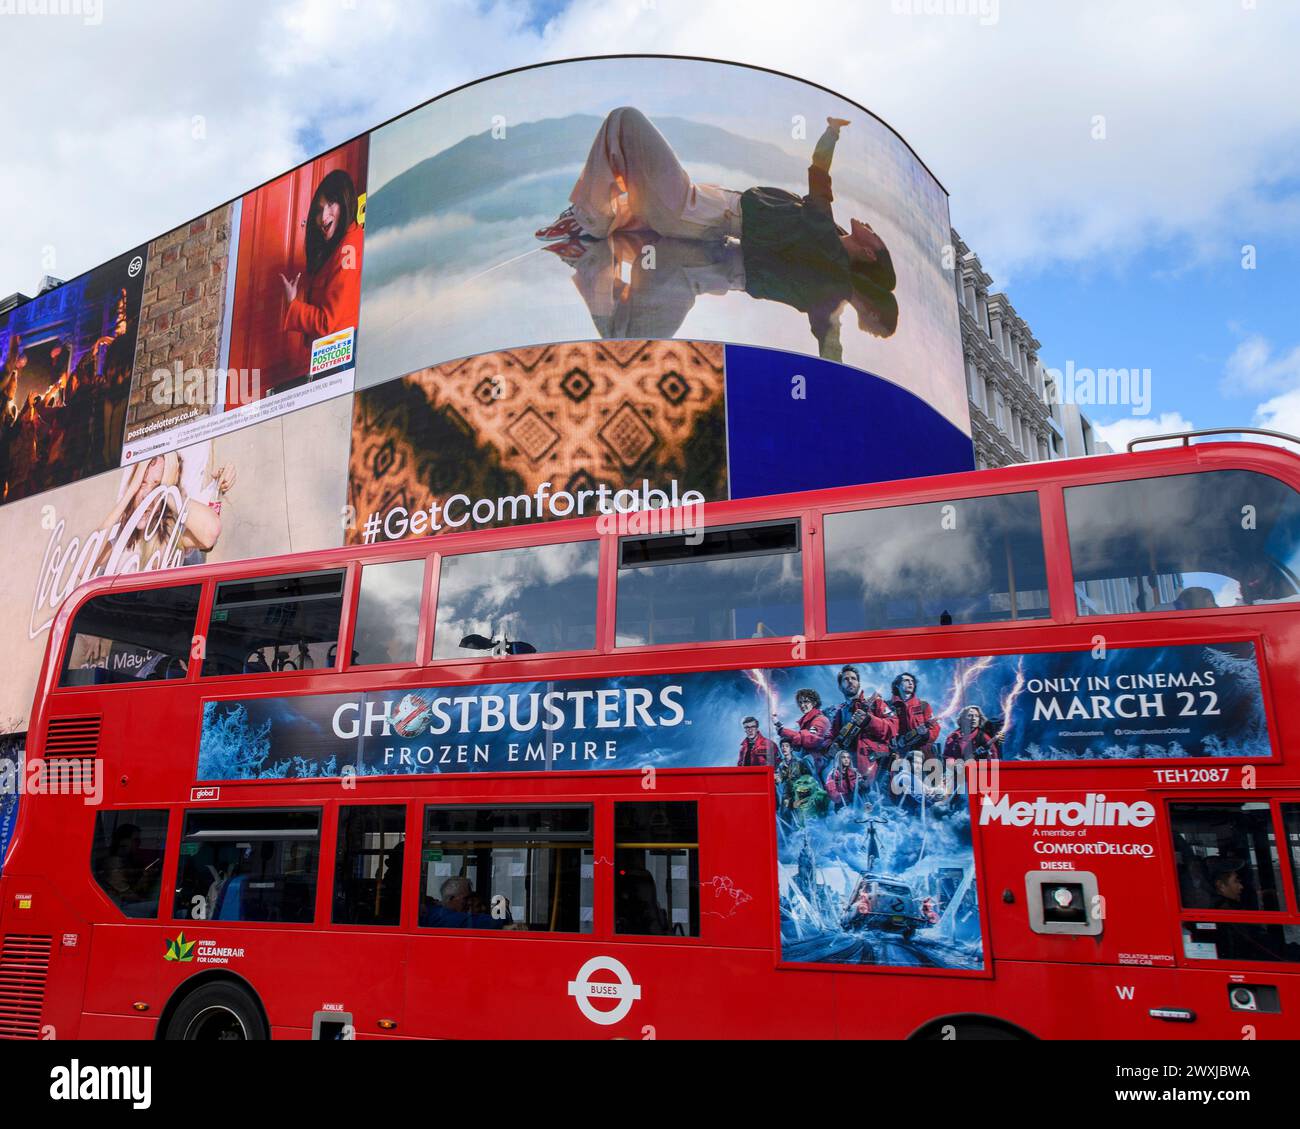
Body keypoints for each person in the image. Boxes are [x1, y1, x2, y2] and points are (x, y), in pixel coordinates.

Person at [537, 108, 898, 360]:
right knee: (624, 342)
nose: (871, 229)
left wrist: (832, 132)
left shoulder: (825, 243)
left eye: (876, 239)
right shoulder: (826, 249)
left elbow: (819, 170)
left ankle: (590, 218)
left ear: (868, 254)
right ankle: (602, 226)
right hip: (697, 257)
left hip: (690, 214)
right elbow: (828, 334)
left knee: (624, 120)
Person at [280, 168, 364, 388]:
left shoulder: (348, 249)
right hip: (336, 352)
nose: (323, 217)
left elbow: (328, 321)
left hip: (341, 354)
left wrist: (293, 305)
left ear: (345, 204)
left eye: (331, 205)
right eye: (319, 209)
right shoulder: (340, 246)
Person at [825, 664, 898, 786]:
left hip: (875, 768)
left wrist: (870, 721)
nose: (850, 681)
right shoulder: (840, 712)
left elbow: (893, 726)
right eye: (846, 679)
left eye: (853, 678)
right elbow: (830, 736)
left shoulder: (875, 703)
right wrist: (829, 747)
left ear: (859, 683)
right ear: (840, 687)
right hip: (849, 773)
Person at [774, 688, 833, 781]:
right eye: (800, 702)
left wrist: (783, 731)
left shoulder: (820, 720)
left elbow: (811, 739)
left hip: (821, 764)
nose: (802, 705)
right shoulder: (807, 721)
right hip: (814, 764)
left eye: (806, 701)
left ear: (814, 703)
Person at [420, 876, 512, 929]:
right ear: (451, 898)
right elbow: (474, 922)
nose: (469, 903)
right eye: (466, 898)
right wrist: (502, 912)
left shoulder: (437, 911)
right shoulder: (441, 916)